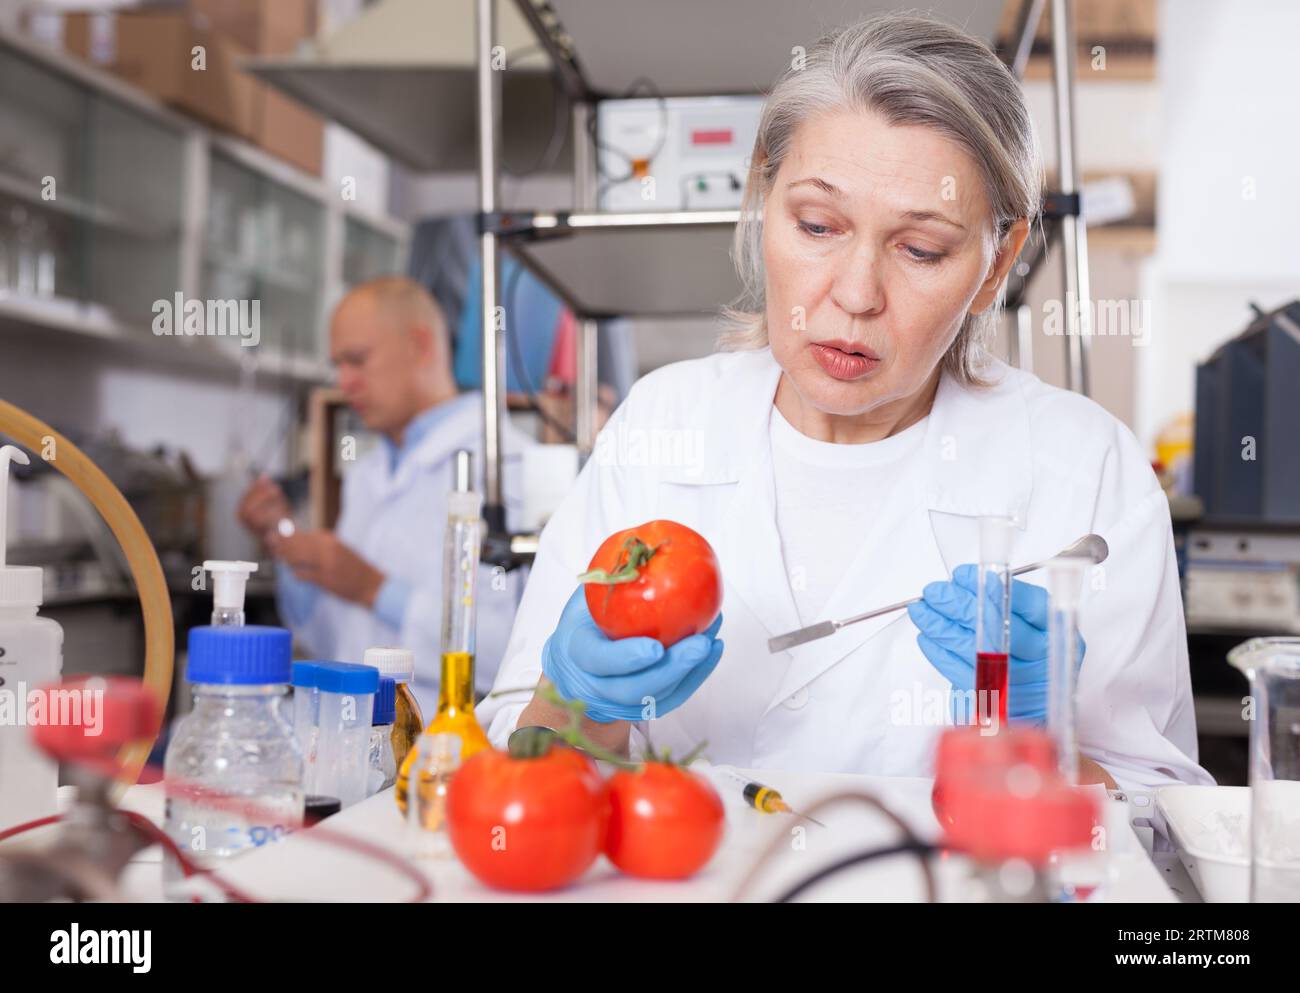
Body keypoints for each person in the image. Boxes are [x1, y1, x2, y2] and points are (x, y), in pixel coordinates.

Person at [477, 14, 1212, 792]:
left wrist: (1043, 744)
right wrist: (577, 700)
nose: (856, 294)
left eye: (921, 249)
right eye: (818, 225)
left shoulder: (1085, 467)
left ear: (996, 264)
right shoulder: (664, 425)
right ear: (764, 197)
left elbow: (1161, 833)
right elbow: (526, 776)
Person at [237, 276, 532, 716]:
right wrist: (288, 547)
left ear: (420, 346)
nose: (344, 381)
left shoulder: (506, 467)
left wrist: (374, 589)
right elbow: (340, 641)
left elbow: (513, 659)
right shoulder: (368, 473)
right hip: (350, 742)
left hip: (440, 752)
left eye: (356, 360)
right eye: (337, 365)